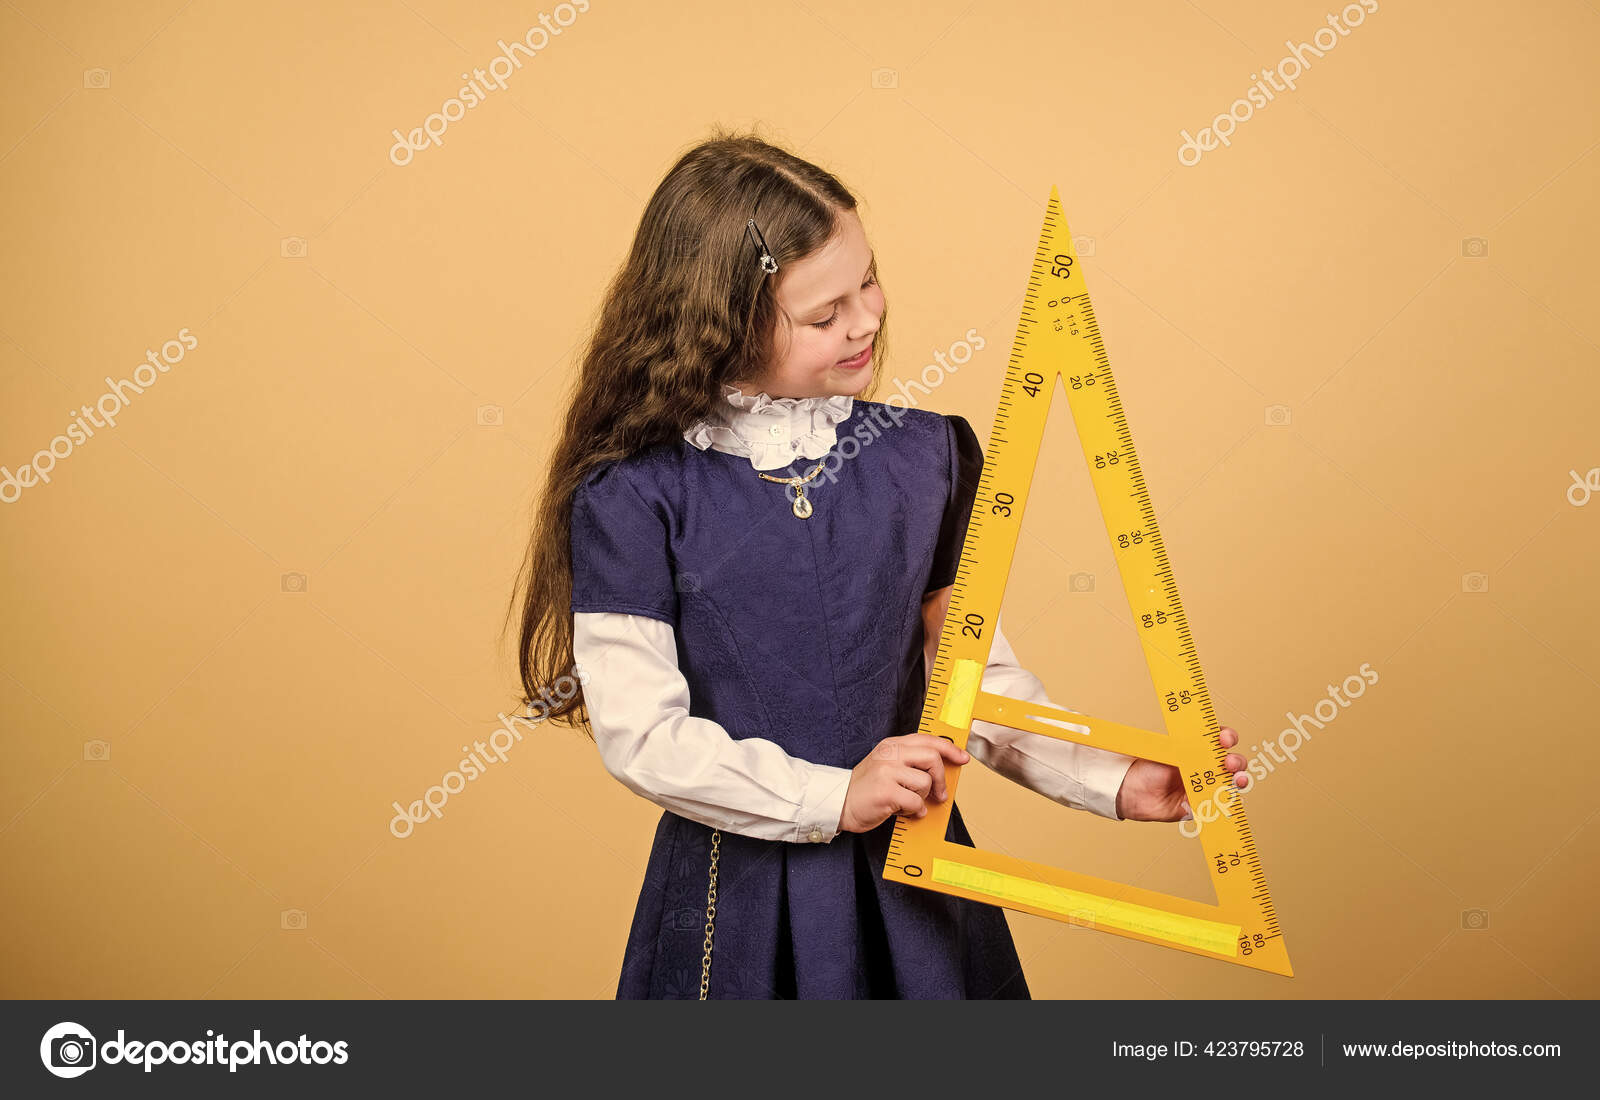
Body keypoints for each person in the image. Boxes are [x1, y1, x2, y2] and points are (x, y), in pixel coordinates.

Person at [509, 128, 1250, 999]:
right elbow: (644, 737)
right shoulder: (631, 498)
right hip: (738, 909)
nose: (865, 318)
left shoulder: (926, 457)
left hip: (919, 881)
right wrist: (832, 797)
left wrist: (1118, 781)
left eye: (867, 281)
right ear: (717, 327)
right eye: (824, 313)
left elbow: (971, 684)